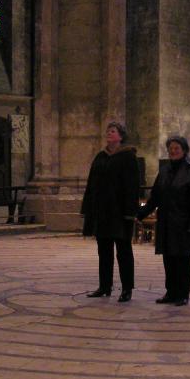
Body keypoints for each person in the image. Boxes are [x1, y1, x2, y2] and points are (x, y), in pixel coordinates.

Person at [137, 135, 190, 307]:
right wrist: (141, 214)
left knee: (184, 261)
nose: (173, 151)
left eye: (177, 148)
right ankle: (171, 292)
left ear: (184, 151)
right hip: (167, 223)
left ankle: (183, 294)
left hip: (184, 224)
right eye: (171, 148)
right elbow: (155, 197)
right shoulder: (164, 170)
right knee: (169, 259)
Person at [81, 122, 140, 302]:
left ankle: (127, 288)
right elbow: (91, 184)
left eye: (112, 131)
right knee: (104, 251)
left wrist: (131, 211)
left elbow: (132, 187)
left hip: (120, 213)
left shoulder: (128, 157)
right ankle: (105, 286)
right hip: (102, 212)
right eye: (107, 131)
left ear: (121, 136)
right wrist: (87, 208)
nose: (108, 133)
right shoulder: (100, 156)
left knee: (123, 251)